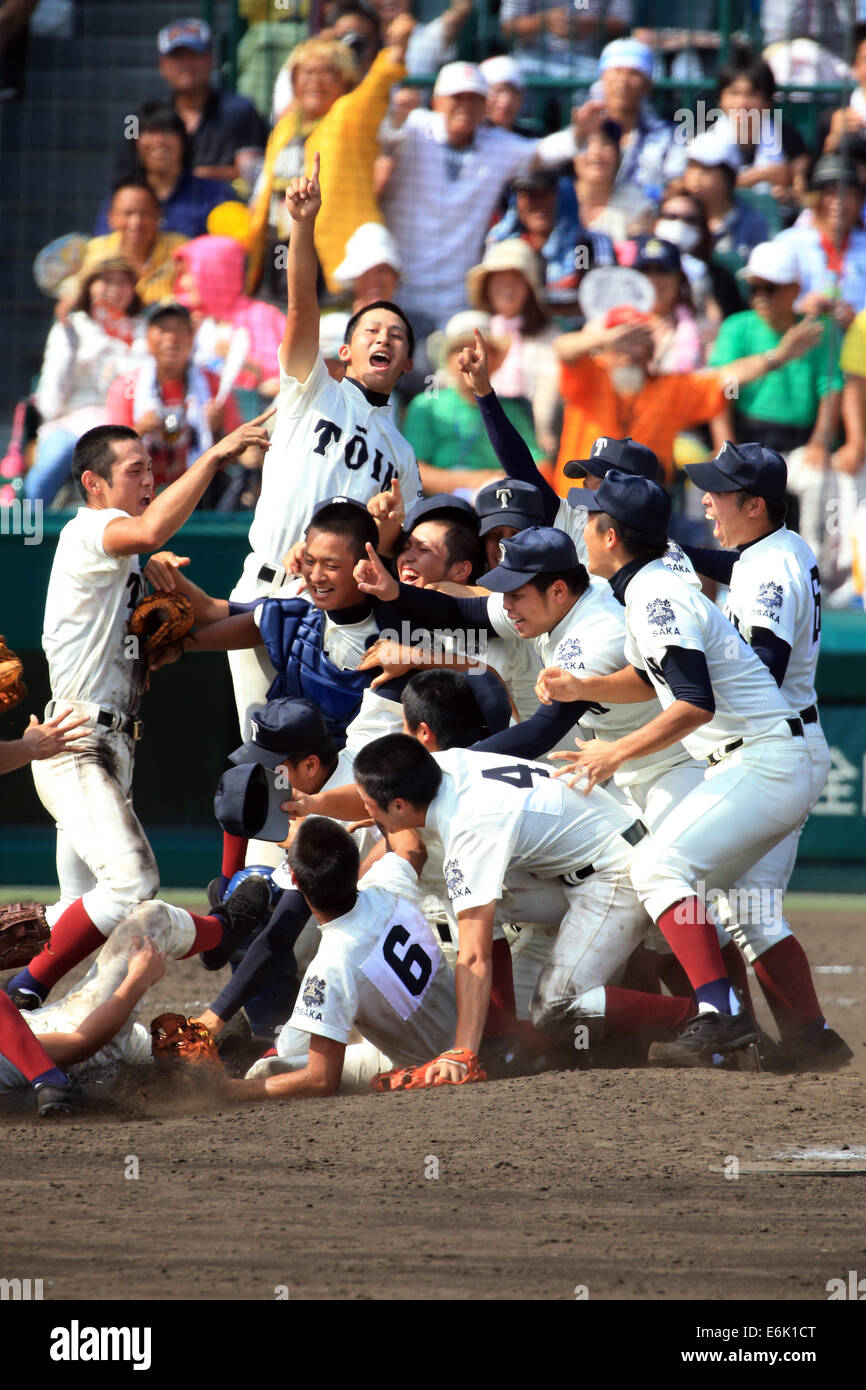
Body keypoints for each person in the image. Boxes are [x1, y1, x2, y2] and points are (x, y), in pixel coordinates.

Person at [535, 469, 819, 1065]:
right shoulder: (645, 588)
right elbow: (650, 677)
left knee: (660, 867)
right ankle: (799, 1039)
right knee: (726, 900)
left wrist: (613, 751)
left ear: (610, 536)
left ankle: (719, 1017)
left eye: (590, 520)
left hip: (764, 758)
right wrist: (584, 685)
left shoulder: (657, 594)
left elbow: (694, 702)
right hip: (761, 757)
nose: (583, 528)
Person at [4, 410, 274, 1012]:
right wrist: (215, 455)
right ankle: (29, 986)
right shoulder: (89, 531)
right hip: (76, 742)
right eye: (134, 470)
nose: (147, 479)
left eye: (152, 469)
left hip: (110, 749)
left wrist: (295, 610)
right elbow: (150, 530)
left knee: (90, 918)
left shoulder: (132, 556)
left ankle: (46, 1043)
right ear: (94, 484)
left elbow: (209, 614)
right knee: (131, 887)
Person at [351, 733, 699, 1085]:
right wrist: (312, 803)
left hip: (618, 873)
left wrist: (461, 1050)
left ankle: (698, 1020)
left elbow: (474, 956)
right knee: (477, 899)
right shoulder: (440, 764)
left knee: (555, 1007)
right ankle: (501, 1040)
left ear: (398, 805)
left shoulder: (469, 827)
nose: (363, 810)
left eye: (368, 803)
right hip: (591, 856)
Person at [228, 152, 422, 738]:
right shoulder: (313, 390)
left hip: (335, 609)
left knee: (324, 753)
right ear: (346, 351)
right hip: (265, 586)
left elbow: (387, 551)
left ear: (408, 362)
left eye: (396, 336)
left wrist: (387, 526)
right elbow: (302, 304)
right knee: (262, 751)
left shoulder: (404, 456)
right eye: (371, 331)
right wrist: (303, 224)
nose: (383, 338)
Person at [680, 440, 852, 1070]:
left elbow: (766, 666)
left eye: (718, 492)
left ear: (754, 504)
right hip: (786, 743)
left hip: (770, 752)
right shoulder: (780, 547)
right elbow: (738, 569)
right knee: (747, 907)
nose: (704, 499)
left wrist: (693, 674)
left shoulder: (769, 567)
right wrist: (669, 555)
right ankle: (809, 1039)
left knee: (679, 874)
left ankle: (728, 1025)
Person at [225, 817, 460, 1100]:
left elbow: (321, 1080)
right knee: (293, 1039)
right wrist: (357, 827)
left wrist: (227, 1090)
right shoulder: (387, 884)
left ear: (296, 881)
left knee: (268, 1071)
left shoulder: (331, 965)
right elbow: (411, 843)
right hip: (464, 1030)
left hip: (423, 1063)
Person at [379, 60, 586, 336]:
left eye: (475, 99)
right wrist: (395, 116)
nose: (466, 105)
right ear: (438, 100)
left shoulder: (498, 144)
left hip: (453, 302)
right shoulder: (413, 126)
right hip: (398, 291)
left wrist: (580, 133)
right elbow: (384, 137)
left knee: (444, 374)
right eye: (457, 97)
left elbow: (542, 153)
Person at [553, 296, 825, 493]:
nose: (631, 353)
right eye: (623, 343)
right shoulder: (589, 374)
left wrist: (777, 356)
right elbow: (562, 347)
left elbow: (726, 377)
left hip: (638, 514)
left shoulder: (671, 388)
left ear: (651, 350)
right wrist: (602, 339)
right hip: (577, 501)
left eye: (639, 342)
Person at [247, 19, 414, 298]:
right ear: (294, 81)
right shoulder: (285, 127)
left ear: (346, 81)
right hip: (279, 252)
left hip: (330, 259)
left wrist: (398, 44)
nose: (316, 81)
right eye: (307, 72)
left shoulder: (348, 116)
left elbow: (380, 81)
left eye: (328, 73)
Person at [708, 240, 842, 463]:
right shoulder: (737, 327)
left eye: (770, 288)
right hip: (746, 439)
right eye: (754, 288)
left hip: (803, 444)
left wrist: (820, 441)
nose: (760, 296)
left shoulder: (819, 331)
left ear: (795, 289)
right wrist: (725, 446)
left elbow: (830, 389)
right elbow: (726, 385)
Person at [26, 258, 147, 506]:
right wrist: (70, 341)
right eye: (106, 280)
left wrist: (121, 345)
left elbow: (138, 388)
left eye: (123, 282)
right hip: (69, 426)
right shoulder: (70, 326)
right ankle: (25, 539)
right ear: (90, 286)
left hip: (120, 429)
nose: (115, 288)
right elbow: (49, 402)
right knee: (43, 476)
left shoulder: (143, 332)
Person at [105, 302, 244, 495]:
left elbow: (237, 459)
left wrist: (218, 431)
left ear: (191, 337)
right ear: (148, 338)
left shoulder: (214, 386)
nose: (171, 338)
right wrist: (140, 431)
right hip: (142, 494)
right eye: (162, 330)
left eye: (179, 329)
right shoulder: (126, 387)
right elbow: (111, 458)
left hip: (200, 495)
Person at [403, 311, 543, 497]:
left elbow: (540, 466)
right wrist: (479, 480)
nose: (469, 357)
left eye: (480, 349)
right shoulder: (425, 406)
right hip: (440, 508)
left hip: (500, 507)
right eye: (460, 349)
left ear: (494, 360)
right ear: (447, 359)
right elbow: (413, 471)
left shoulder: (513, 410)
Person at [114, 17, 267, 184]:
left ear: (211, 59)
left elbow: (260, 175)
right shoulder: (138, 119)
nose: (186, 63)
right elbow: (126, 175)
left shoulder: (242, 111)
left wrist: (204, 178)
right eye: (177, 56)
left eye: (194, 54)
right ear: (162, 65)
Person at [466, 238, 561, 457]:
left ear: (530, 288)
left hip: (528, 435)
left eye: (516, 279)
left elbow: (549, 385)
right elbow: (449, 377)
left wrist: (543, 429)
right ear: (487, 286)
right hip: (475, 431)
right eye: (499, 278)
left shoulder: (549, 337)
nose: (507, 287)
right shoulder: (472, 326)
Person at [98, 104, 236, 241]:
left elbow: (231, 247)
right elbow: (105, 247)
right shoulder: (124, 197)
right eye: (149, 132)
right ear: (135, 143)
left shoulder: (214, 194)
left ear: (183, 141)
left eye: (168, 131)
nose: (159, 141)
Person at [173, 235, 286, 401]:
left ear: (215, 273)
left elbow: (284, 378)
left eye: (189, 273)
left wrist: (238, 359)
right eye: (180, 275)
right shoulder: (185, 320)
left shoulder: (262, 317)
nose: (182, 283)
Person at [573, 36, 685, 202]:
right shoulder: (583, 131)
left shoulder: (669, 135)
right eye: (616, 72)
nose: (623, 82)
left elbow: (677, 184)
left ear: (647, 85)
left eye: (633, 73)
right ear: (602, 79)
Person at [774, 156, 866, 330]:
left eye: (848, 194)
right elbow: (769, 302)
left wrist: (856, 319)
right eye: (830, 193)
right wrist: (799, 309)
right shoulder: (788, 243)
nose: (838, 202)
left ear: (859, 201)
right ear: (815, 198)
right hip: (802, 342)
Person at [75, 181, 188, 308]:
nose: (136, 222)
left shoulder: (181, 249)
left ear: (158, 215)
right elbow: (80, 297)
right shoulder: (96, 250)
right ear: (111, 218)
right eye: (127, 213)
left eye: (144, 213)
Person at [682, 128, 769, 268]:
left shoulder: (752, 222)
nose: (695, 177)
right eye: (691, 167)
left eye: (705, 169)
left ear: (728, 175)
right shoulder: (678, 214)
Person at [500, 0, 630, 84]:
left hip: (586, 62)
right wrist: (544, 22)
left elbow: (621, 23)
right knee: (508, 85)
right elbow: (507, 28)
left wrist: (590, 25)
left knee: (603, 87)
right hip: (531, 58)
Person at [572, 118, 656, 243]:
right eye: (586, 144)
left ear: (618, 156)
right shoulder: (558, 197)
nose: (595, 152)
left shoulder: (636, 202)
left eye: (605, 144)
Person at [633, 235, 704, 374]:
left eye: (662, 270)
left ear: (680, 278)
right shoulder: (615, 323)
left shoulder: (702, 328)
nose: (653, 280)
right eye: (645, 271)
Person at [332, 221, 404, 314]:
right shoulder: (330, 326)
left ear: (395, 276)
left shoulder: (419, 325)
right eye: (365, 272)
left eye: (381, 271)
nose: (374, 279)